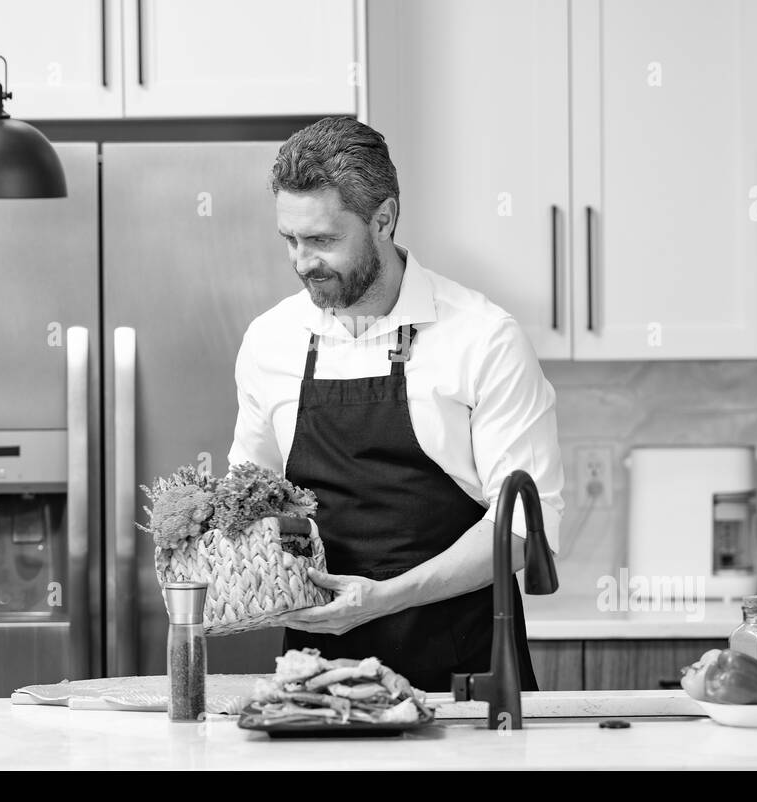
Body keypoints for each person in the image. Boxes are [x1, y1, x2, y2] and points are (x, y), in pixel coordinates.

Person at [228, 116, 564, 692]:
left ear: (383, 219)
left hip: (462, 676)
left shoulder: (483, 338)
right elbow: (250, 496)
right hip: (317, 682)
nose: (303, 261)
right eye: (291, 239)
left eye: (325, 240)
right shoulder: (271, 340)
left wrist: (382, 599)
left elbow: (526, 530)